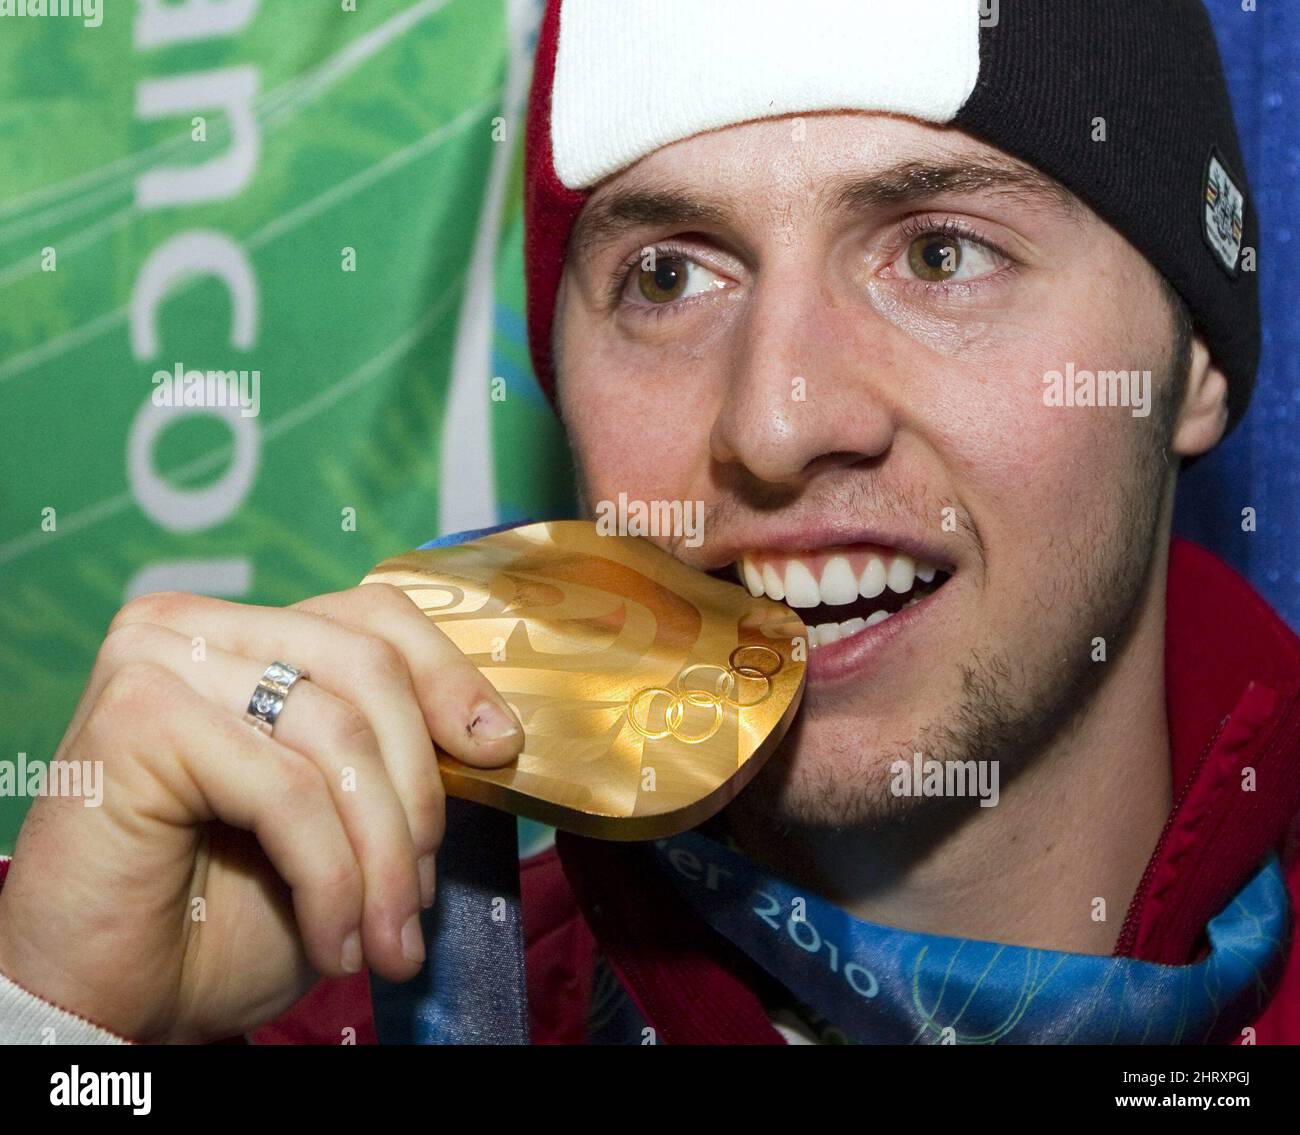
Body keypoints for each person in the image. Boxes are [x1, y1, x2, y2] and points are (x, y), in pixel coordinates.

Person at [2, 0, 1297, 1045]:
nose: (776, 422)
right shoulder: (324, 1006)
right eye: (670, 275)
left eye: (939, 253)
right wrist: (60, 1031)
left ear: (1188, 363)